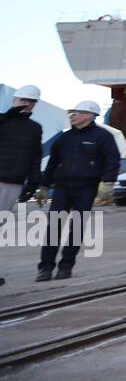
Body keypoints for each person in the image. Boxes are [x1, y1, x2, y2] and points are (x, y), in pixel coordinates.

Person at [39, 100, 119, 281]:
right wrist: (44, 185)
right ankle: (45, 268)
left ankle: (65, 267)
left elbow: (112, 161)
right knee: (54, 228)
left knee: (76, 229)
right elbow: (52, 163)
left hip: (86, 188)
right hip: (62, 188)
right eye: (72, 113)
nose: (72, 116)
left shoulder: (103, 137)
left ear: (90, 116)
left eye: (77, 113)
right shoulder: (64, 138)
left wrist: (107, 184)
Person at [1, 85, 44, 287]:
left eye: (31, 102)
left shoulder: (35, 128)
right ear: (13, 101)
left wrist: (33, 182)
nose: (25, 105)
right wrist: (8, 116)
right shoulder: (2, 120)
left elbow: (36, 156)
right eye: (22, 101)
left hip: (13, 183)